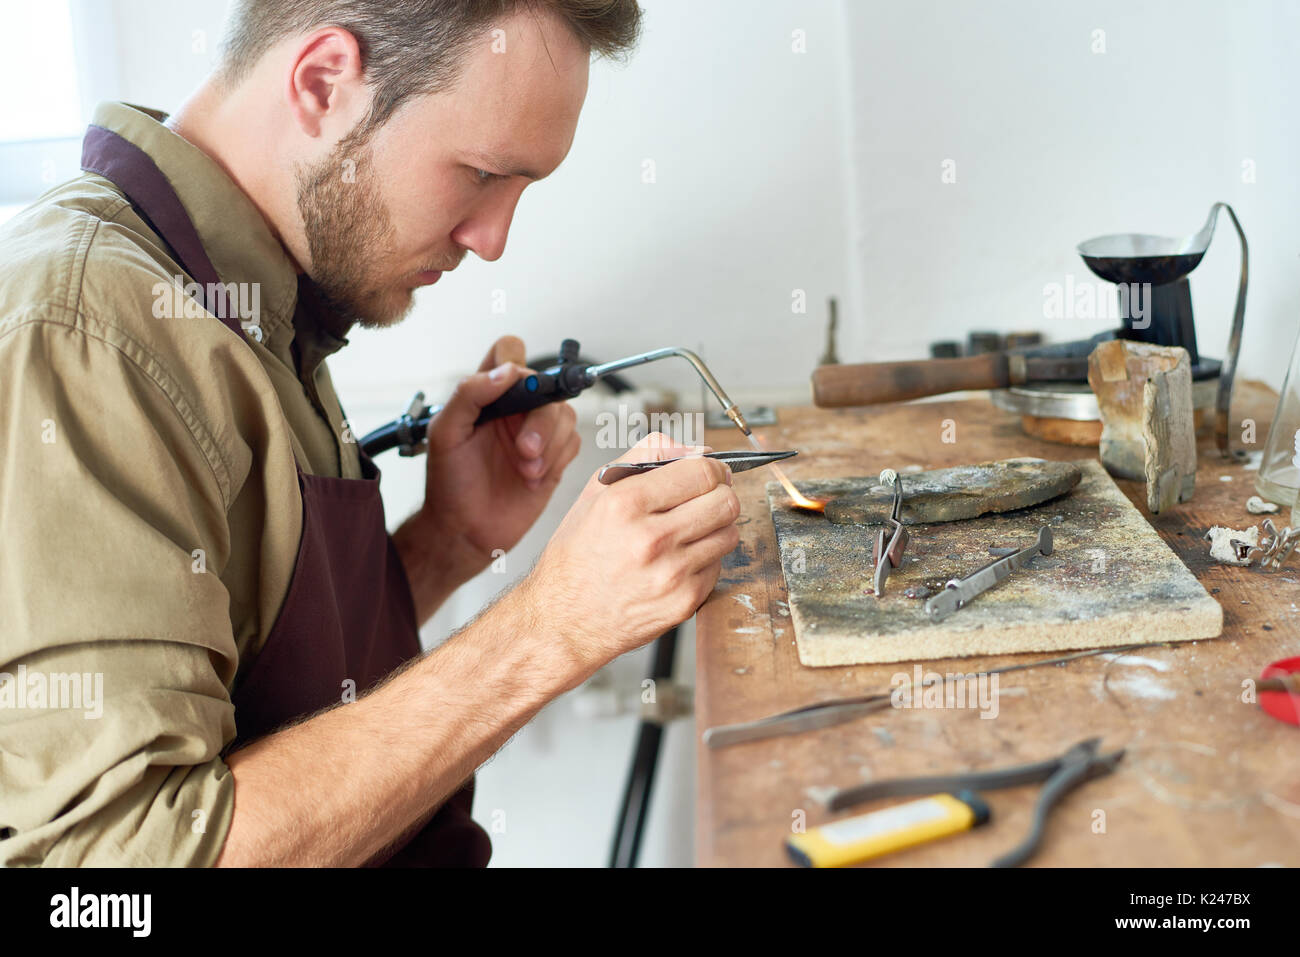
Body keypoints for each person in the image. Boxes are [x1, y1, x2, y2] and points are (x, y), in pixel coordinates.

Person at [0, 0, 740, 867]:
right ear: (323, 83)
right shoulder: (89, 331)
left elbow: (266, 687)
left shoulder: (256, 299)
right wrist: (546, 631)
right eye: (480, 173)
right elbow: (119, 873)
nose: (493, 238)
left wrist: (445, 544)